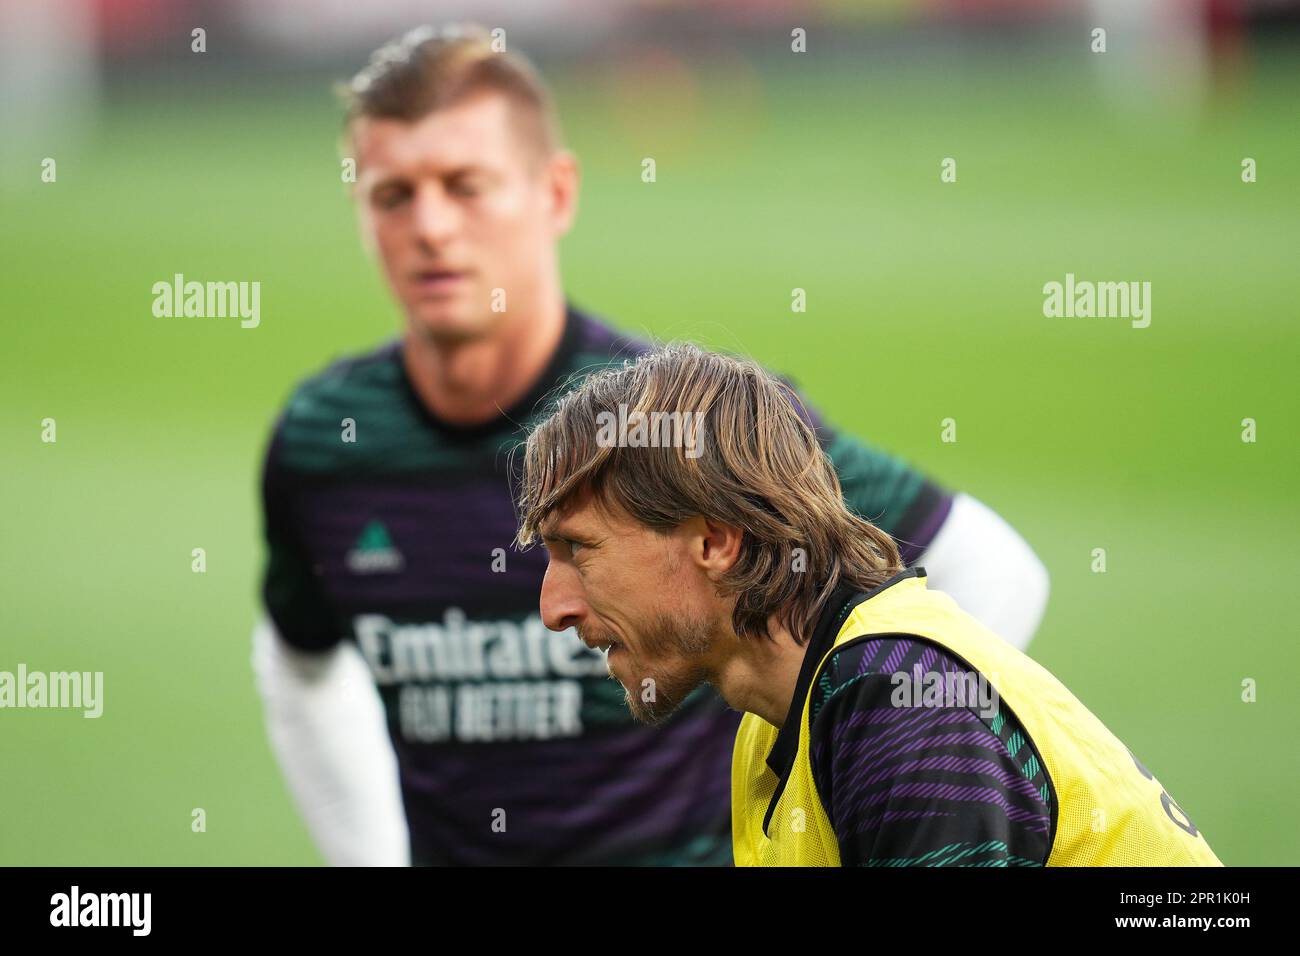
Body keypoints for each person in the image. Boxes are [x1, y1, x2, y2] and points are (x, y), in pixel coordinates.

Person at [253, 23, 1049, 866]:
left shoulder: (686, 420)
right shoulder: (321, 444)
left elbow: (990, 569)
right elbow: (297, 663)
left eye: (466, 185)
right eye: (394, 195)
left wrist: (839, 792)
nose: (432, 227)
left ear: (556, 193)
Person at [515, 343, 1221, 866]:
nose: (553, 607)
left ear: (716, 542)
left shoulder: (899, 706)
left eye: (579, 550)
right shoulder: (779, 722)